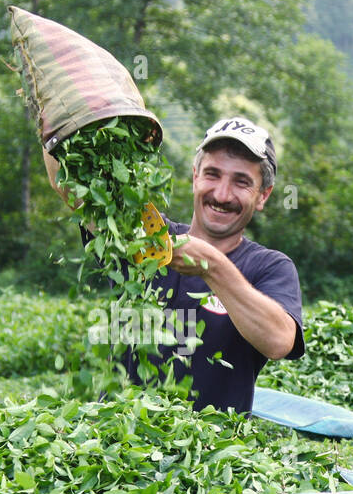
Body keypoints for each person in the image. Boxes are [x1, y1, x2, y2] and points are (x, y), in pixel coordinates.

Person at [50, 117, 305, 413]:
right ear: (195, 176)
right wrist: (55, 112)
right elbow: (69, 183)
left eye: (242, 182)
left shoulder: (269, 267)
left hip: (211, 450)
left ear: (263, 196)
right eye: (212, 174)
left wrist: (213, 267)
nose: (222, 195)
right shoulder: (146, 236)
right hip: (119, 439)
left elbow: (278, 342)